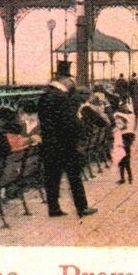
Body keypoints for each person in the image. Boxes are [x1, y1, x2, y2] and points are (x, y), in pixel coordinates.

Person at [37, 70, 96, 219]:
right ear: (65, 80)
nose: (73, 84)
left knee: (52, 176)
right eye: (71, 80)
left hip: (49, 144)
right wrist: (80, 128)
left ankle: (54, 208)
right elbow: (70, 123)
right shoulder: (62, 97)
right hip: (65, 144)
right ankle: (82, 207)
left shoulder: (45, 96)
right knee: (74, 176)